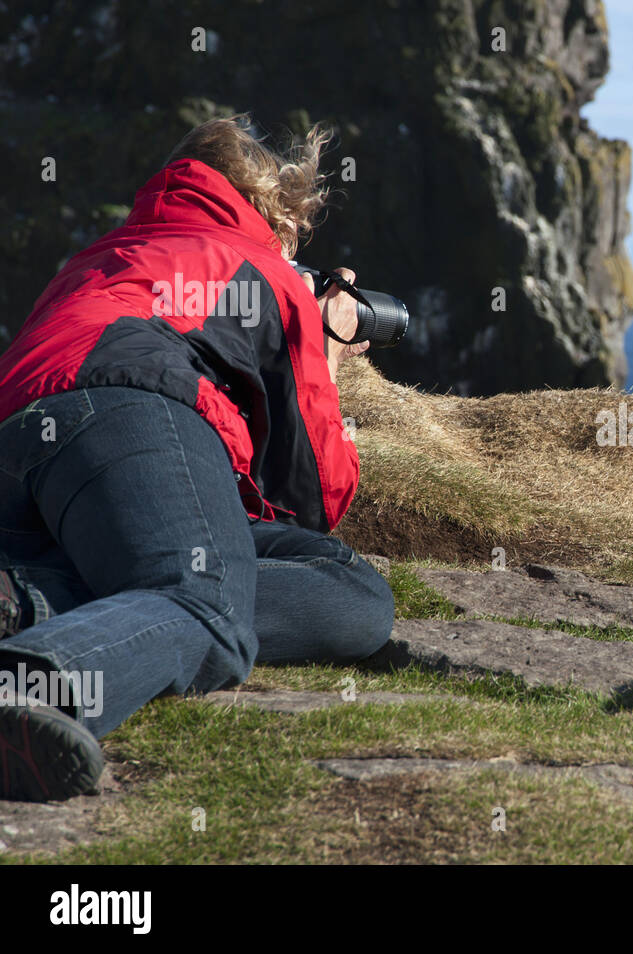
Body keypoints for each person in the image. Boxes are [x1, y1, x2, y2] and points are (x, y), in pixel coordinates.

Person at [0, 115, 395, 802]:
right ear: (272, 209)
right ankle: (34, 686)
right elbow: (315, 495)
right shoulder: (259, 269)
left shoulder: (103, 256)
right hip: (129, 407)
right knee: (206, 599)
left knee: (354, 595)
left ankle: (22, 602)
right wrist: (323, 353)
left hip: (20, 439)